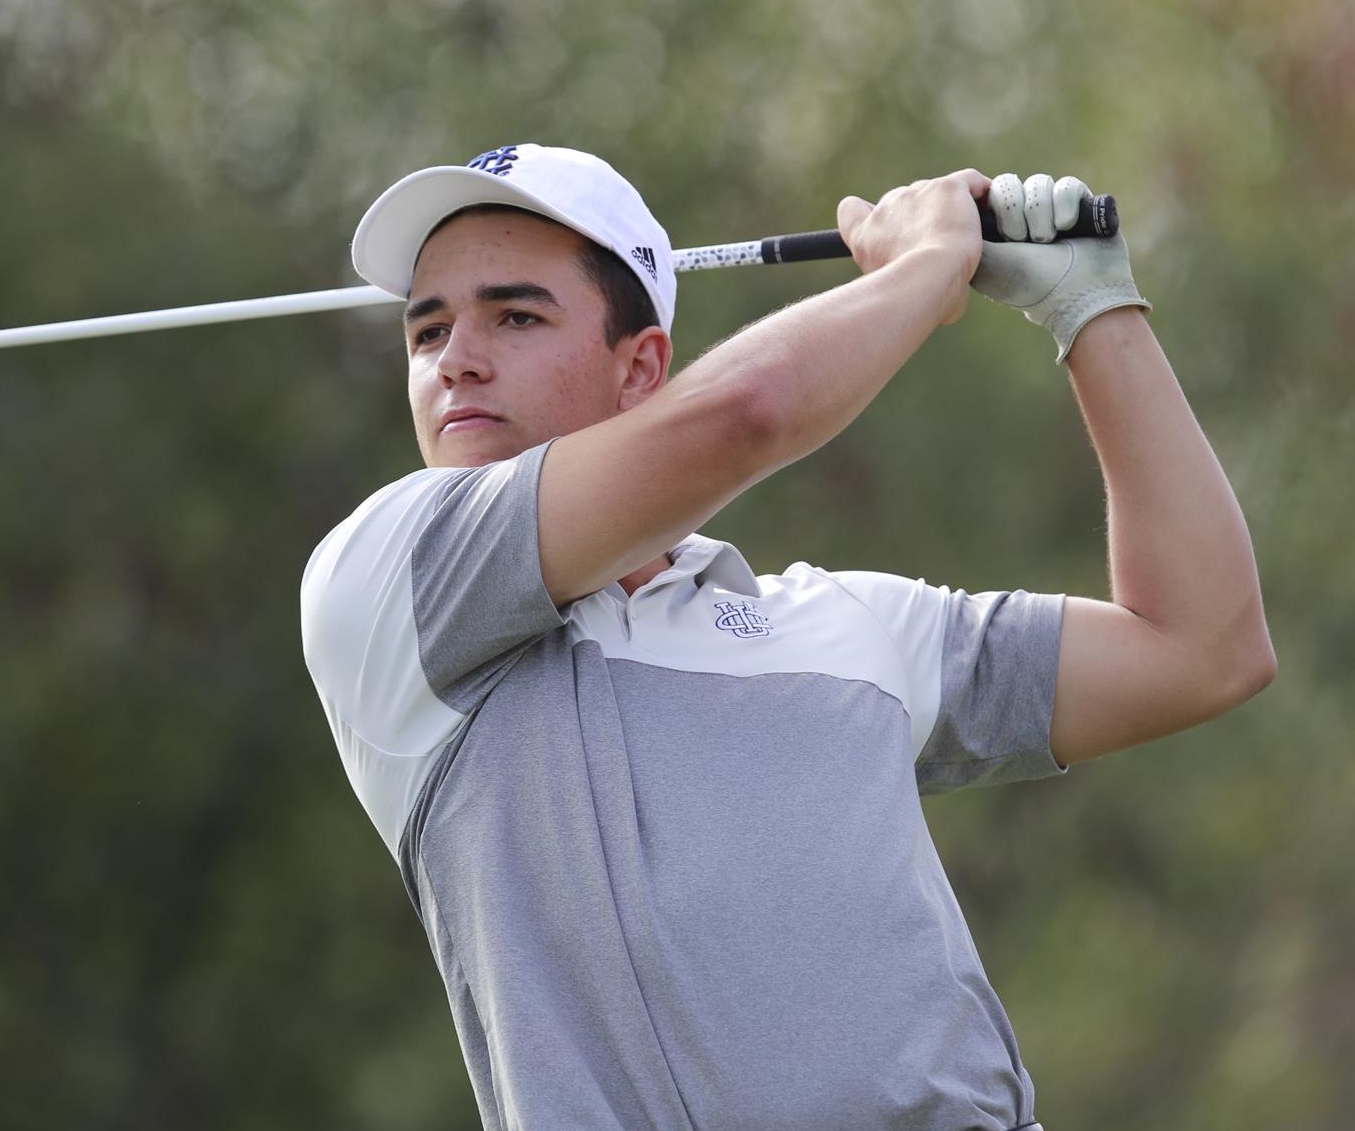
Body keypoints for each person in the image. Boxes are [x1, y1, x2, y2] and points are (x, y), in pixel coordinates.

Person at [299, 143, 1274, 1131]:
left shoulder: (840, 625)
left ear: (637, 369)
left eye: (513, 315)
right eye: (426, 331)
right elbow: (744, 415)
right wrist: (925, 267)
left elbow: (1201, 647)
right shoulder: (392, 584)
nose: (454, 357)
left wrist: (1088, 311)